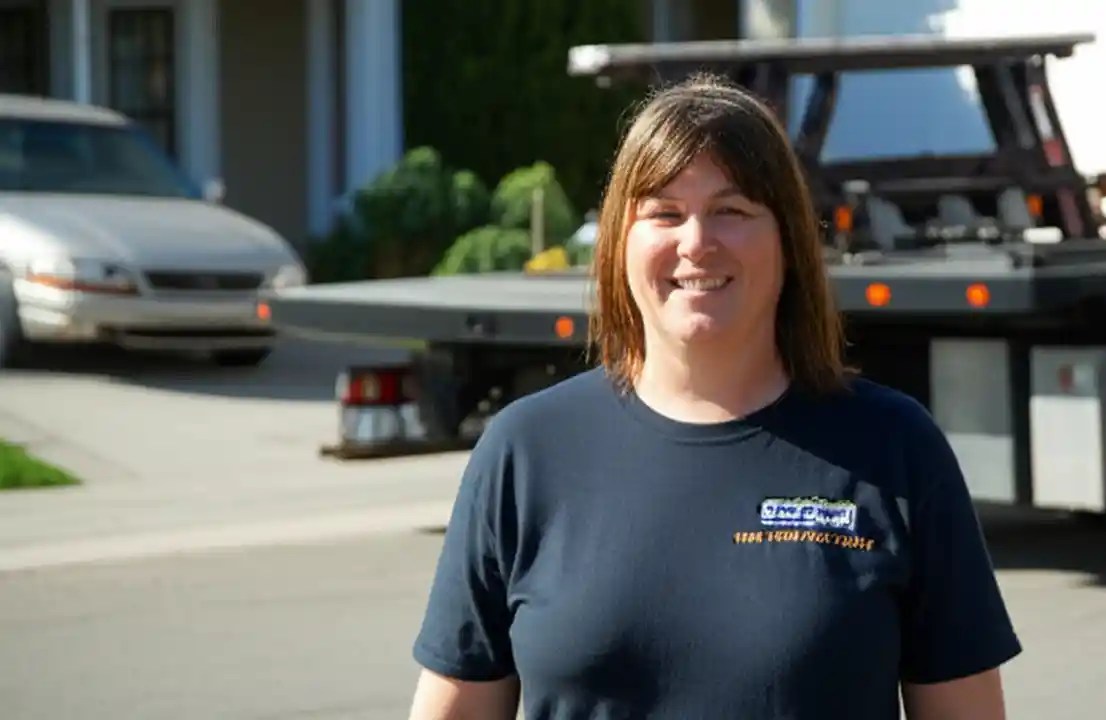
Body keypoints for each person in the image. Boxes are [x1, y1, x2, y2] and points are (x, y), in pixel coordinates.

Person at [406, 73, 1021, 720]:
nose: (696, 242)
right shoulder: (526, 452)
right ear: (620, 242)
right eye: (664, 213)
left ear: (787, 242)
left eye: (731, 210)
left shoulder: (894, 448)